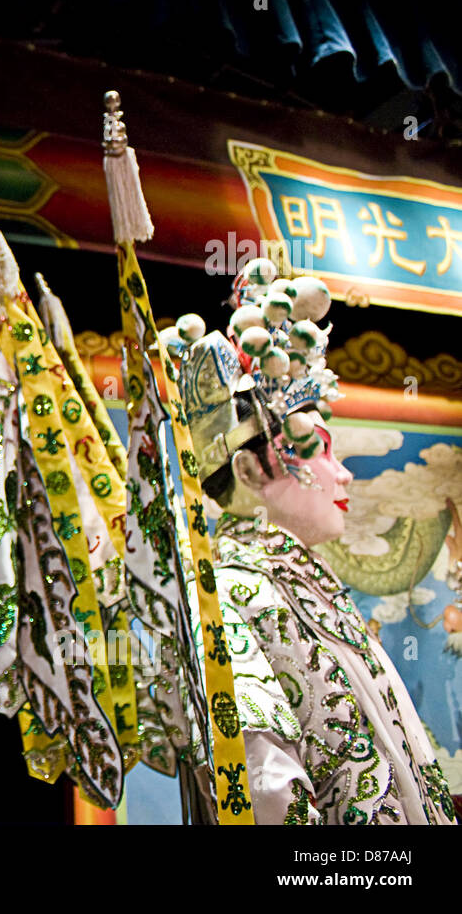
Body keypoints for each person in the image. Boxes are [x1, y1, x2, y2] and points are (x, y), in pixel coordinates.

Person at [172, 258, 455, 824]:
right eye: (320, 449)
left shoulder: (301, 585)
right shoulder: (227, 595)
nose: (342, 473)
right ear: (250, 474)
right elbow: (263, 786)